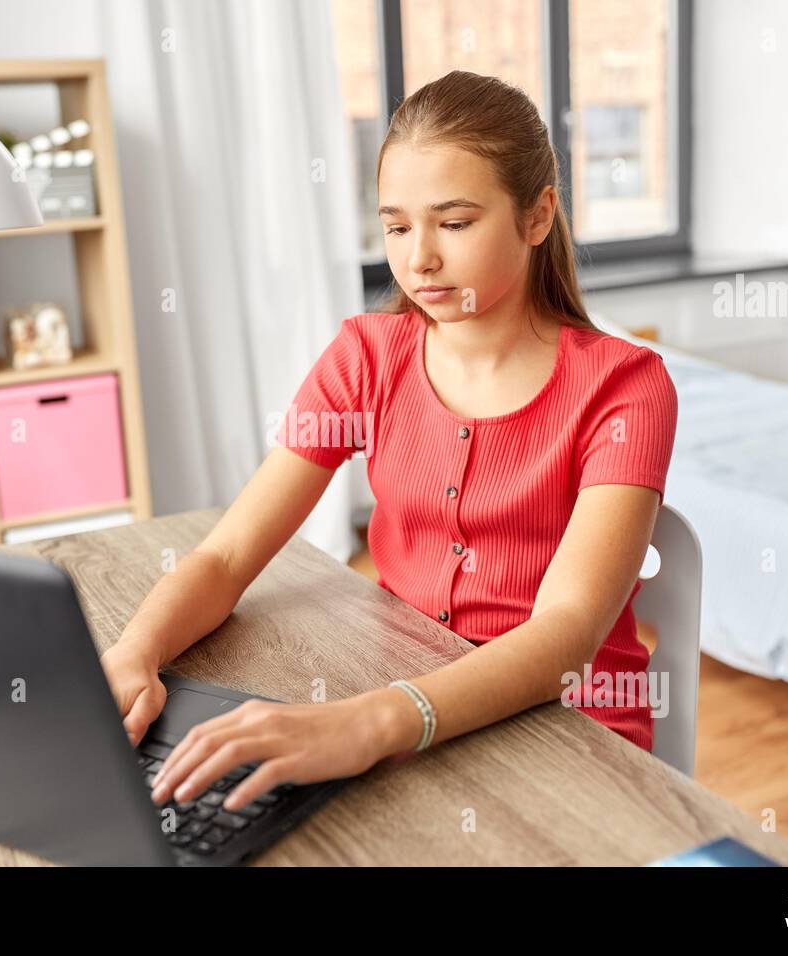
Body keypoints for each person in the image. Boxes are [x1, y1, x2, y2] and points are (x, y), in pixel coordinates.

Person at [102, 70, 678, 814]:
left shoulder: (626, 386)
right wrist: (134, 653)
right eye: (397, 226)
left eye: (456, 222)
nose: (419, 260)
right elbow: (225, 554)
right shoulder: (365, 357)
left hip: (571, 735)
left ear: (538, 216)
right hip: (402, 697)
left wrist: (370, 722)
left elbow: (567, 638)